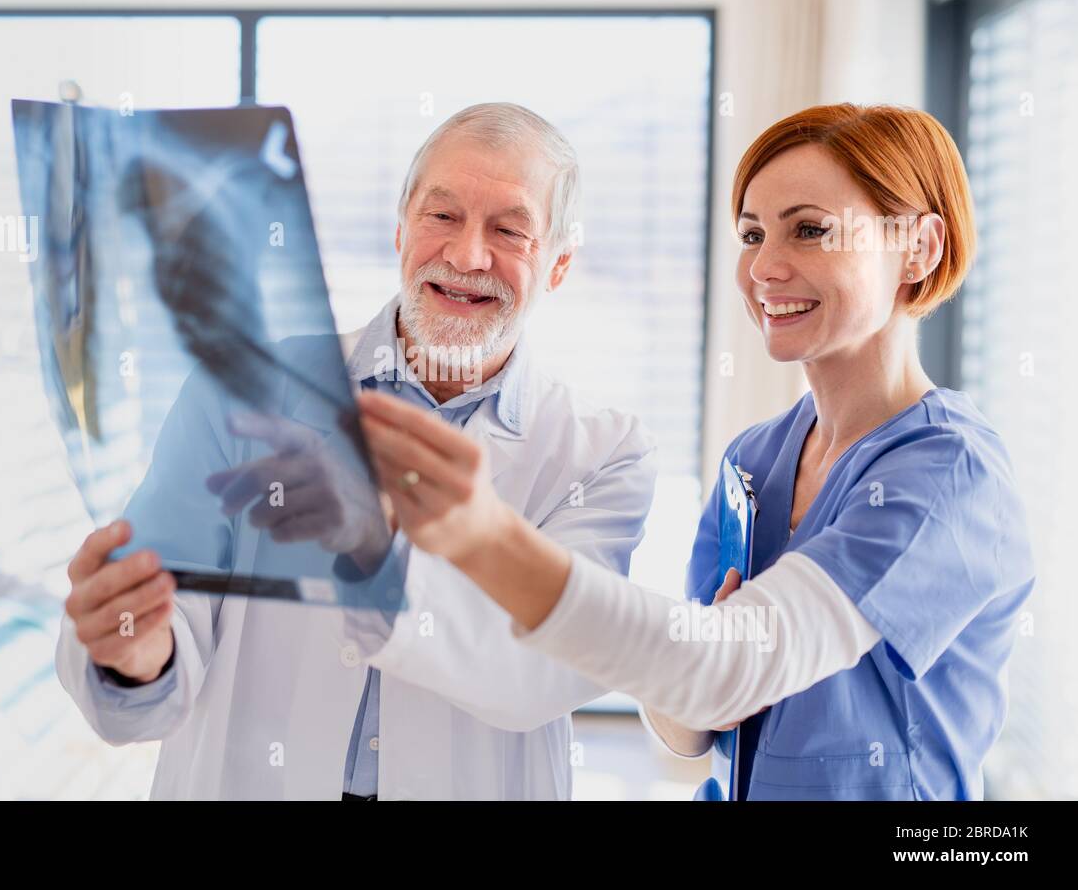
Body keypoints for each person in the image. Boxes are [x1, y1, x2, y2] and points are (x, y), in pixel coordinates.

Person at [358, 103, 1035, 800]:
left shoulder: (949, 474)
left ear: (918, 248)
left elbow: (724, 666)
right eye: (751, 234)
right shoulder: (757, 458)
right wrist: (693, 678)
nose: (765, 268)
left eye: (809, 230)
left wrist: (484, 538)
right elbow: (686, 724)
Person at [55, 103, 659, 799]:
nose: (466, 256)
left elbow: (547, 670)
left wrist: (378, 552)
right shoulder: (243, 390)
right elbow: (168, 605)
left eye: (510, 230)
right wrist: (135, 653)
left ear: (556, 265)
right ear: (401, 227)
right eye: (442, 216)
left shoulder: (602, 454)